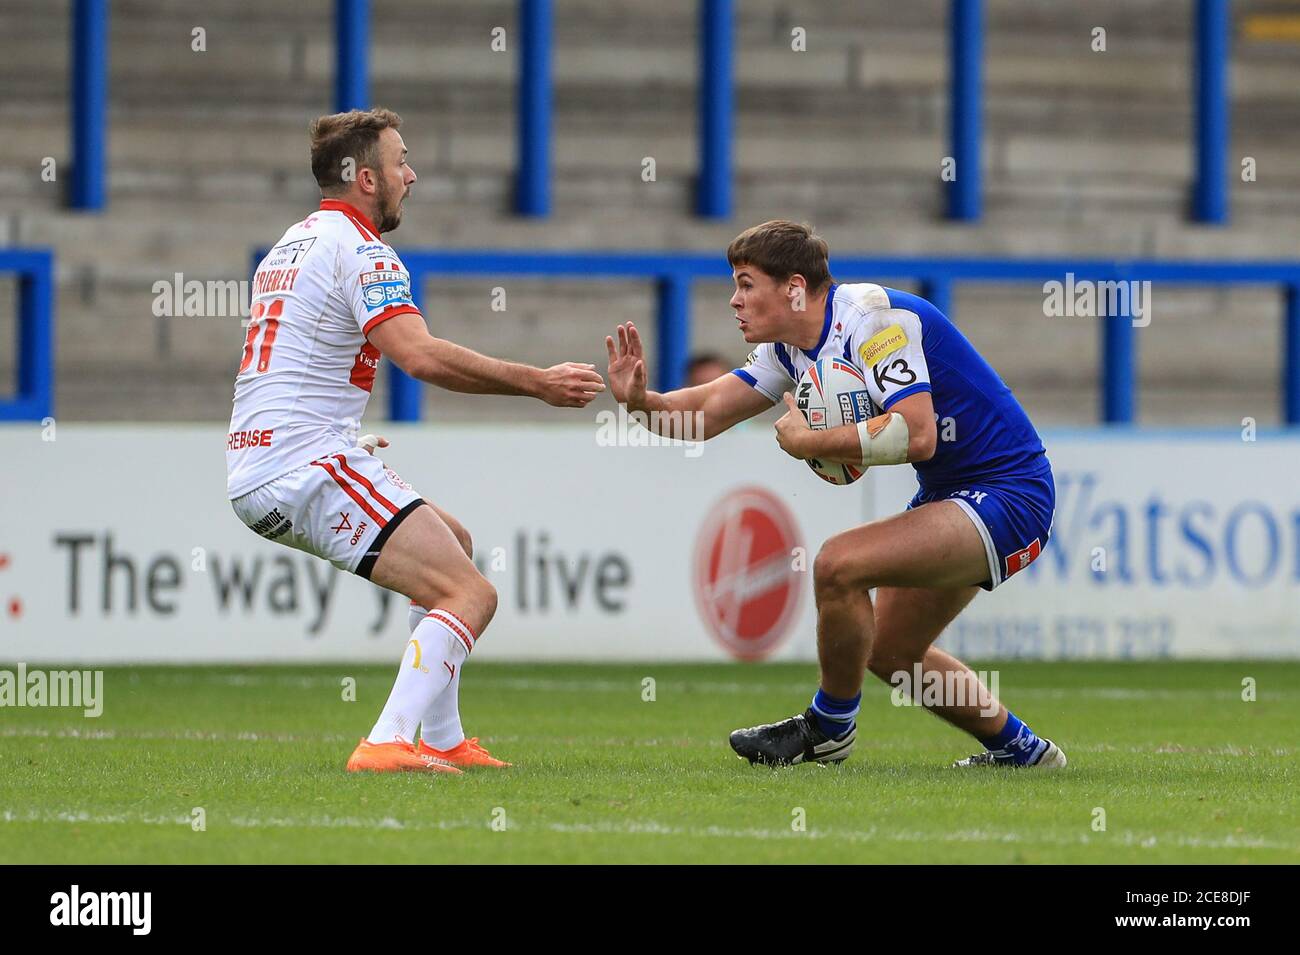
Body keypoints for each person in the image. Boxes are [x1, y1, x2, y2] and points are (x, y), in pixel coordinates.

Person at [604, 219, 1064, 770]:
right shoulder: (788, 349)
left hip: (1009, 492)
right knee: (889, 652)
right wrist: (641, 402)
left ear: (794, 288)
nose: (734, 300)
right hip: (954, 492)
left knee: (837, 564)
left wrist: (807, 441)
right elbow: (703, 417)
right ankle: (1024, 752)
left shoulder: (874, 320)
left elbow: (916, 433)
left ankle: (828, 727)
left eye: (746, 284)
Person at [227, 108, 605, 773]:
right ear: (365, 177)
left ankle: (443, 735)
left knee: (451, 546)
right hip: (303, 463)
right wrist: (537, 382)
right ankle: (386, 741)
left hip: (264, 463)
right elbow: (421, 357)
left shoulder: (289, 245)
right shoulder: (363, 249)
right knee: (473, 595)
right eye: (401, 162)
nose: (412, 175)